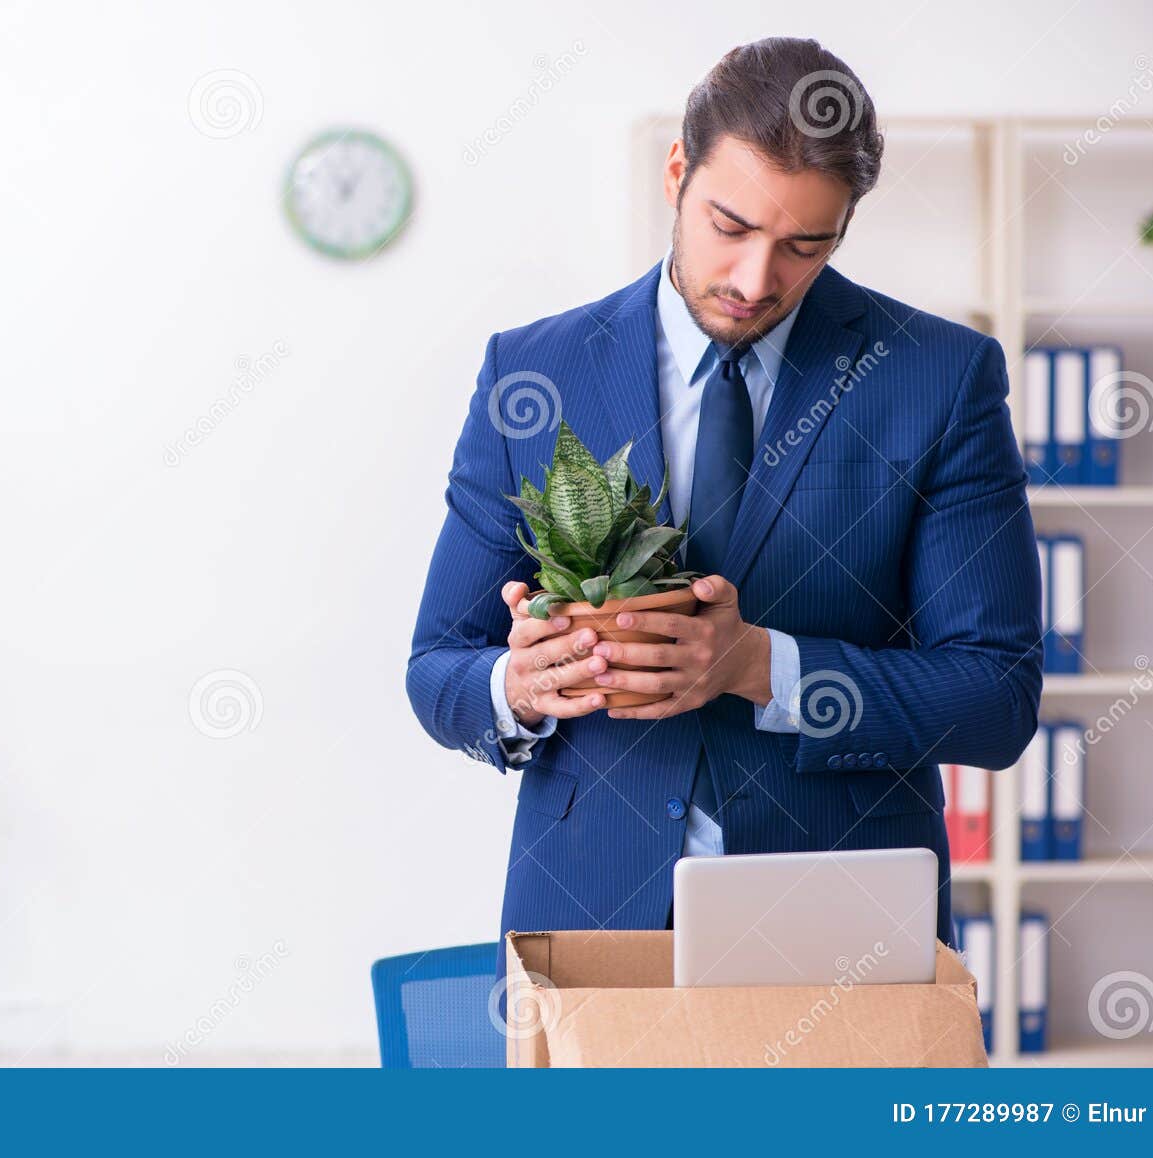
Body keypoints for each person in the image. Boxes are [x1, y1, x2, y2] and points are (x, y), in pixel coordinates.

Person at [404, 37, 1042, 978]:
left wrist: (762, 666)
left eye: (803, 246)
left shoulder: (937, 380)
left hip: (843, 927)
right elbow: (435, 670)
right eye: (730, 224)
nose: (753, 280)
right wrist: (519, 689)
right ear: (677, 173)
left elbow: (997, 700)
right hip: (587, 918)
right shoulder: (533, 372)